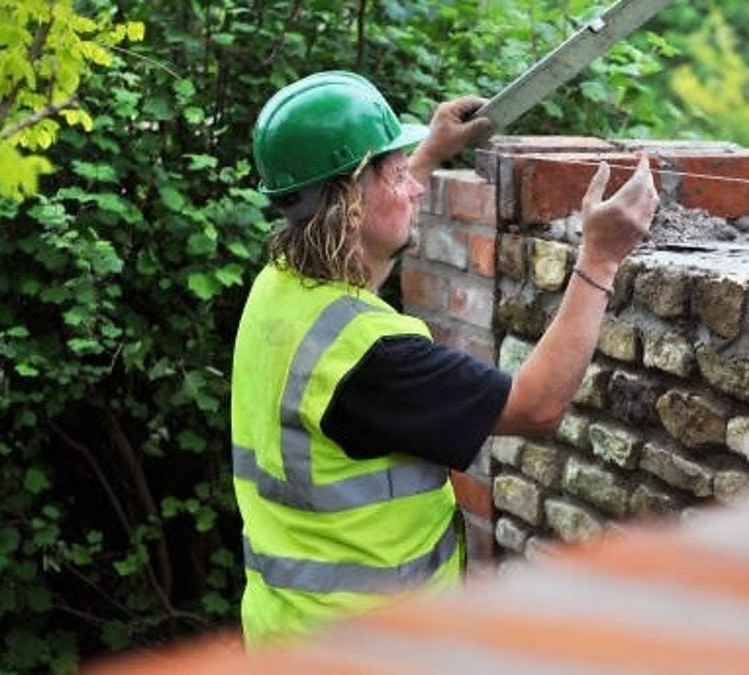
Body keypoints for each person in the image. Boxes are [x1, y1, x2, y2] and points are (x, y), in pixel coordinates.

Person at [230, 70, 658, 648]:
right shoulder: (372, 358)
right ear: (352, 200)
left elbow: (362, 239)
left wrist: (427, 152)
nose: (415, 189)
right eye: (396, 174)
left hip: (288, 630)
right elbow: (536, 406)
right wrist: (600, 259)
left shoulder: (279, 287)